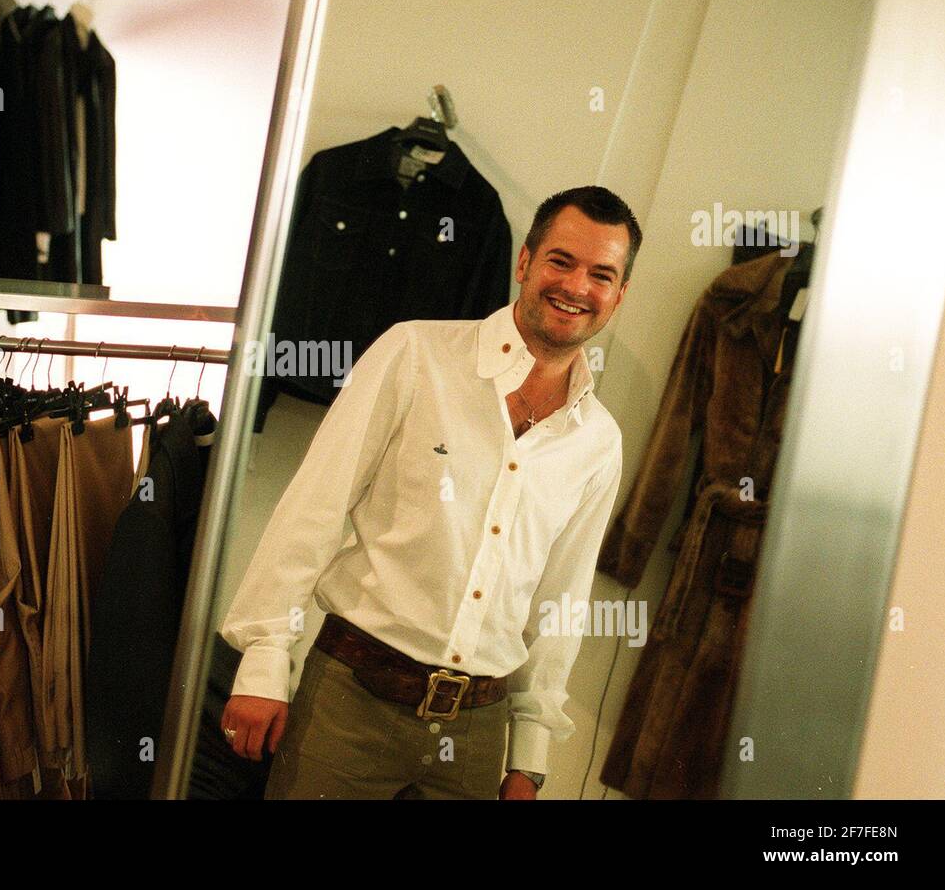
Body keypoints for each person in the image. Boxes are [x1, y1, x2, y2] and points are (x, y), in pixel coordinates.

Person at [219, 185, 639, 799]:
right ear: (524, 262)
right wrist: (262, 661)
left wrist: (530, 752)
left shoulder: (599, 440)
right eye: (561, 261)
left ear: (618, 296)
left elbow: (561, 602)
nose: (577, 287)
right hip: (351, 702)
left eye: (601, 274)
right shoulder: (415, 353)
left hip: (478, 732)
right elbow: (314, 508)